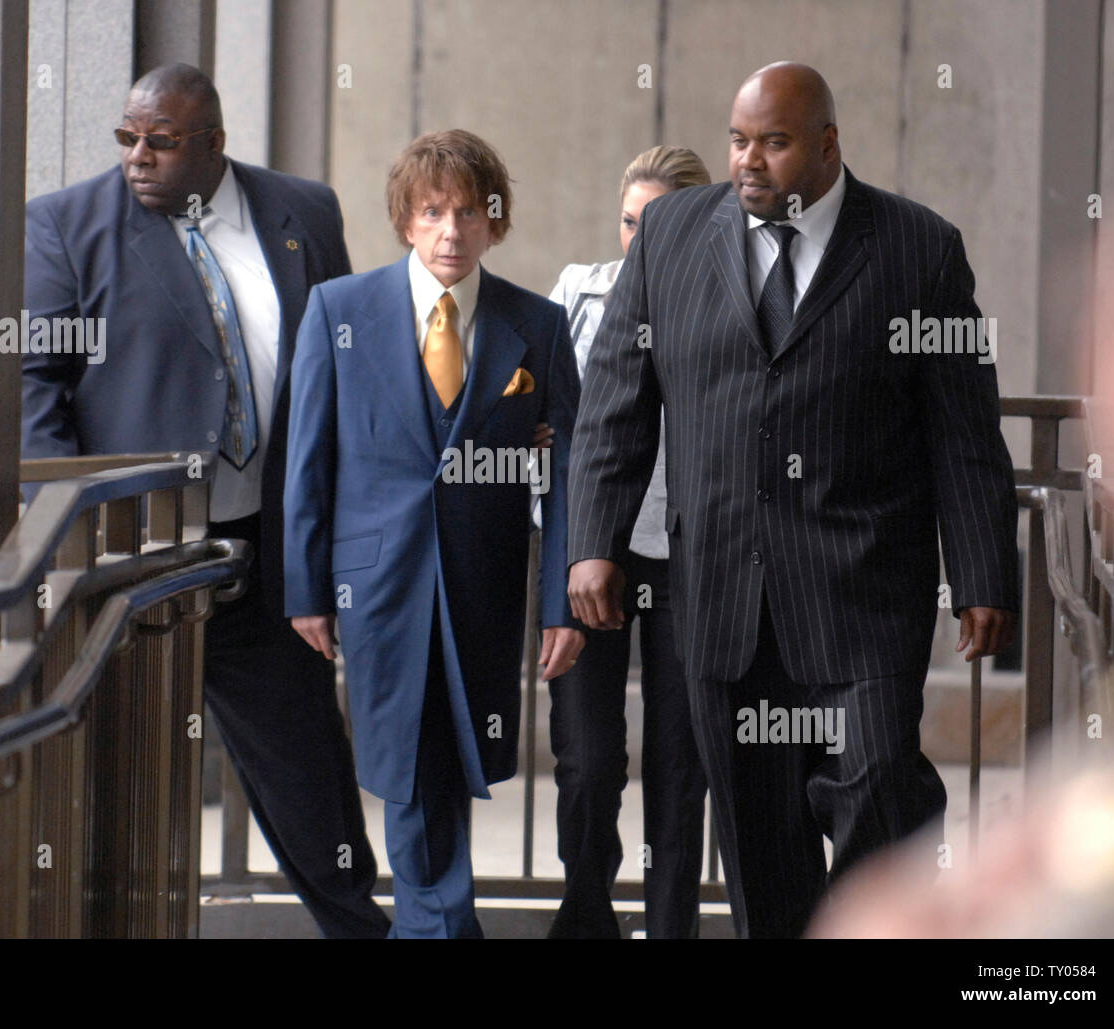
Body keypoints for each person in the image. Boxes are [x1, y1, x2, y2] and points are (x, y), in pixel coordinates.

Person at [566, 62, 1020, 938]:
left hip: (862, 596)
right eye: (738, 140)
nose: (749, 161)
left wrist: (982, 574)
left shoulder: (921, 248)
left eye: (773, 143)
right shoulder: (668, 237)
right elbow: (615, 404)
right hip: (723, 602)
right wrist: (596, 539)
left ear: (826, 144)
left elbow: (962, 431)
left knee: (879, 788)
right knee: (759, 840)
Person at [20, 63, 388, 938]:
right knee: (115, 775)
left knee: (303, 764)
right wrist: (79, 543)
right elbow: (38, 393)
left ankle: (359, 927)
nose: (137, 157)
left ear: (214, 143)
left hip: (267, 550)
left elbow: (344, 364)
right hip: (134, 561)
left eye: (160, 140)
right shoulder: (68, 224)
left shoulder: (305, 211)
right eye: (127, 137)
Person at [284, 129, 585, 938]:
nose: (452, 230)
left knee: (454, 759)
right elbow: (308, 461)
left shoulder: (540, 327)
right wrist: (305, 588)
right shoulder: (338, 312)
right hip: (377, 584)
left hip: (485, 585)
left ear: (495, 222)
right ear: (407, 221)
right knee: (410, 768)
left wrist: (561, 600)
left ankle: (438, 924)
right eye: (433, 211)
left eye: (469, 212)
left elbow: (567, 483)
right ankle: (439, 926)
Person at [546, 146, 712, 939]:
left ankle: (671, 926)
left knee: (682, 766)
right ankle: (586, 918)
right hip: (590, 551)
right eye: (627, 222)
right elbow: (538, 398)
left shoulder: (728, 295)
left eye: (657, 225)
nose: (637, 240)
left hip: (690, 558)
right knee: (586, 759)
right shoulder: (579, 291)